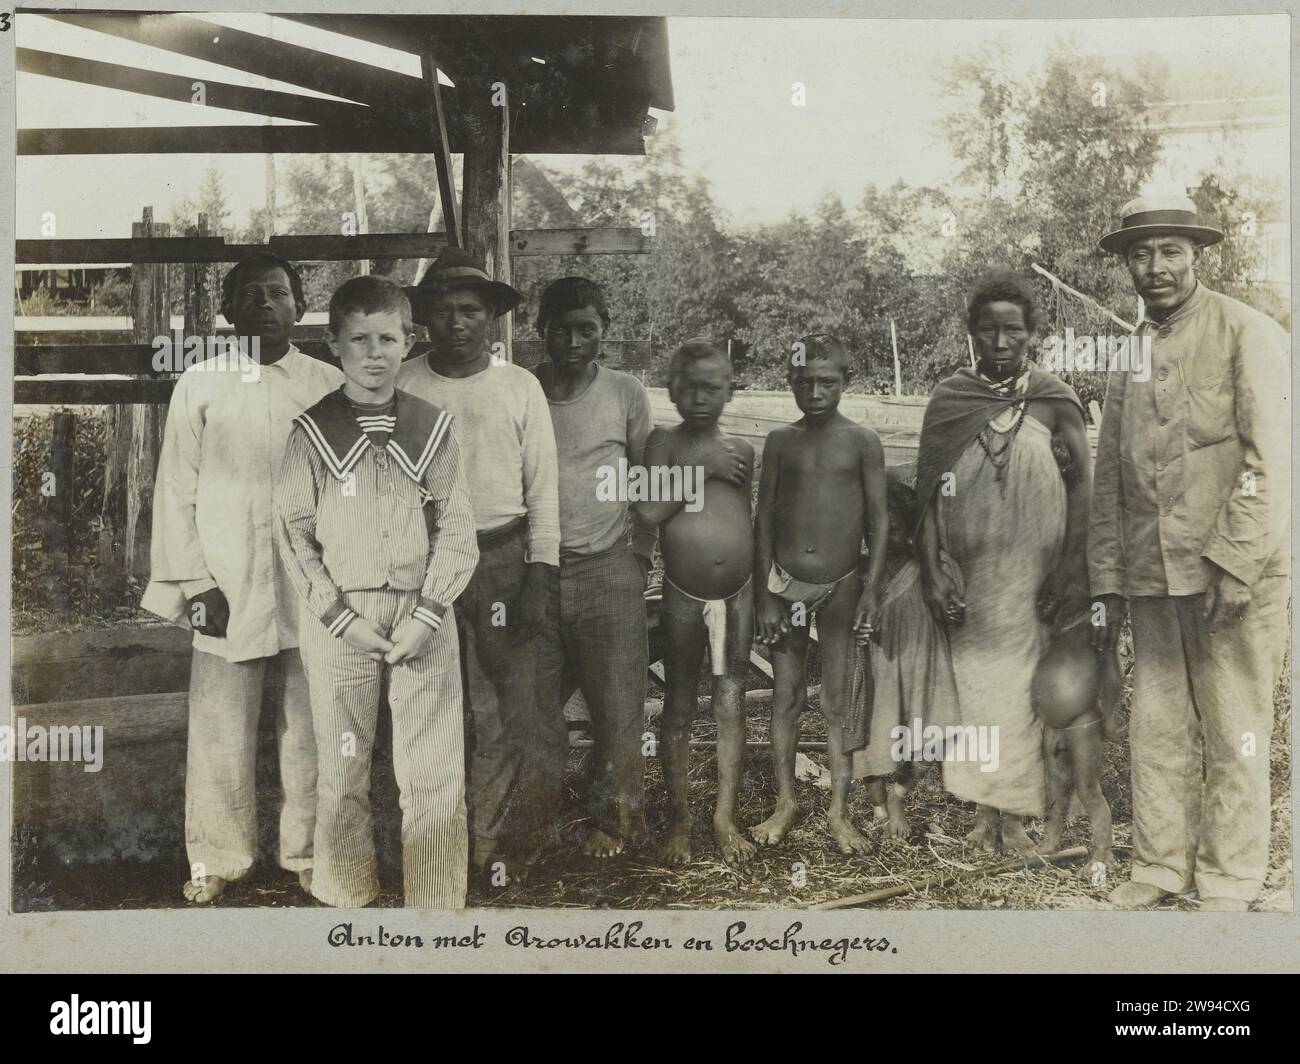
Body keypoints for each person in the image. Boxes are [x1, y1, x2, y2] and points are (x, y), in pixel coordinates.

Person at [1090, 193, 1290, 911]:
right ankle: (1159, 866)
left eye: (1171, 251)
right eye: (1141, 254)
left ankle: (1231, 878)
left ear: (1196, 255)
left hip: (1232, 572)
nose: (1156, 267)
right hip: (1152, 572)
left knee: (1236, 724)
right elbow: (1109, 474)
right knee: (1159, 722)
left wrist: (1235, 561)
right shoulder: (1130, 355)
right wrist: (1107, 580)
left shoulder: (1248, 332)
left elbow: (1270, 459)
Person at [142, 252, 342, 904]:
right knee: (221, 723)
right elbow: (175, 489)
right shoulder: (200, 383)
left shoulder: (327, 384)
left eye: (278, 292)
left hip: (312, 579)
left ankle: (309, 855)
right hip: (226, 579)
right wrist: (196, 584)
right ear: (226, 311)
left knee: (310, 722)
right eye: (249, 294)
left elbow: (349, 488)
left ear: (301, 305)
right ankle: (217, 857)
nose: (265, 304)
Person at [275, 275, 479, 908]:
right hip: (343, 618)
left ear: (408, 340)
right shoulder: (311, 432)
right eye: (358, 338)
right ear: (334, 344)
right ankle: (345, 892)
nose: (373, 352)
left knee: (432, 766)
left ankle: (437, 899)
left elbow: (457, 531)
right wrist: (339, 616)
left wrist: (428, 612)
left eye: (387, 338)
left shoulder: (434, 428)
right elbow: (293, 535)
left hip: (424, 614)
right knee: (343, 764)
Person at [396, 249, 563, 886]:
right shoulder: (404, 382)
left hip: (500, 561)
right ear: (424, 318)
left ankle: (487, 841)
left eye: (471, 309)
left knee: (502, 710)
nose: (457, 322)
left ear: (493, 318)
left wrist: (538, 575)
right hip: (423, 560)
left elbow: (542, 488)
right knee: (428, 704)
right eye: (443, 310)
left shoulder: (518, 386)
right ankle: (431, 838)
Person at [914, 271, 1091, 854]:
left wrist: (1069, 570)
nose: (999, 340)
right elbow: (926, 492)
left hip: (1035, 575)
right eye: (987, 328)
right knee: (975, 688)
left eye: (1012, 329)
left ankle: (1016, 817)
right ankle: (982, 816)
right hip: (971, 576)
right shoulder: (949, 400)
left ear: (1031, 333)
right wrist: (935, 567)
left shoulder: (1054, 398)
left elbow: (1085, 486)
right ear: (971, 332)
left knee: (1024, 690)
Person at [751, 334, 888, 856]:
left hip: (842, 586)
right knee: (786, 696)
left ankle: (838, 812)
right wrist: (765, 595)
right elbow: (763, 518)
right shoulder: (781, 441)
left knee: (836, 703)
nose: (815, 391)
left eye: (827, 382)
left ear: (846, 383)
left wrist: (871, 591)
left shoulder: (862, 442)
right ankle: (786, 803)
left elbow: (877, 522)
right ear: (789, 382)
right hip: (785, 586)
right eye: (804, 381)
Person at [534, 276, 656, 858]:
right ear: (541, 331)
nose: (574, 340)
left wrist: (640, 554)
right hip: (535, 571)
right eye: (562, 328)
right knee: (532, 709)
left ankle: (613, 819)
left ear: (604, 331)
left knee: (617, 705)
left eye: (588, 328)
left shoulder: (625, 393)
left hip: (607, 568)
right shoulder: (524, 390)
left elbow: (646, 477)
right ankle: (535, 818)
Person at [632, 339, 756, 866]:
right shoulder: (663, 443)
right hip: (682, 594)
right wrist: (701, 465)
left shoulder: (745, 451)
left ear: (730, 390)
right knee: (679, 705)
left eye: (713, 387)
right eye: (689, 388)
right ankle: (680, 821)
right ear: (672, 391)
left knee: (730, 702)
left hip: (739, 595)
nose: (701, 398)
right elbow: (650, 511)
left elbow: (749, 522)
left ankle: (724, 817)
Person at [850, 474, 961, 841]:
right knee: (872, 738)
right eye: (878, 529)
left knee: (931, 733)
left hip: (923, 665)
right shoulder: (864, 574)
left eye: (897, 527)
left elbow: (955, 601)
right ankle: (880, 810)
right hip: (879, 669)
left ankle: (898, 797)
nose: (887, 536)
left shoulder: (928, 569)